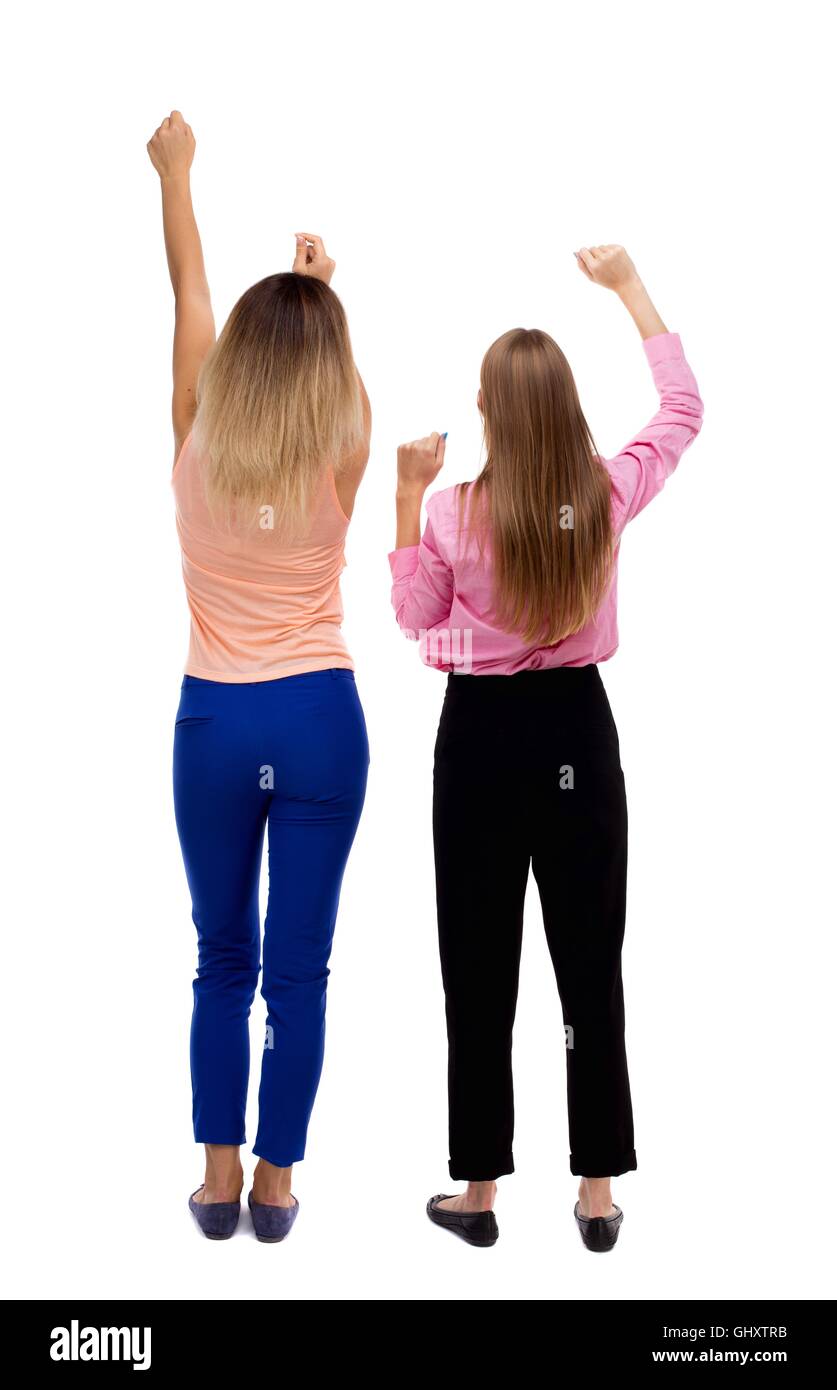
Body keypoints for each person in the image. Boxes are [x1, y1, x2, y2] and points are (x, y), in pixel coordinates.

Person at [389, 245, 703, 1250]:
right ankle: (598, 1192)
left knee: (475, 968)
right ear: (566, 407)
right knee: (589, 965)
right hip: (577, 730)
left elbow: (414, 618)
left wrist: (405, 495)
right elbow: (684, 410)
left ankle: (478, 1193)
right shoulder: (606, 494)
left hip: (478, 739)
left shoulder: (450, 512)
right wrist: (627, 289)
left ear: (486, 409)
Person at [148, 111, 371, 1243]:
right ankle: (281, 1187)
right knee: (300, 969)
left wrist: (176, 173)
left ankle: (220, 1179)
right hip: (321, 719)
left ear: (232, 356)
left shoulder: (193, 432)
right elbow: (325, 376)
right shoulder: (345, 445)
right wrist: (317, 290)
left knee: (221, 956)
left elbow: (189, 286)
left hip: (217, 726)